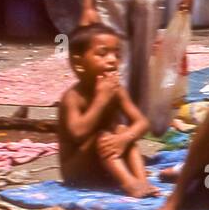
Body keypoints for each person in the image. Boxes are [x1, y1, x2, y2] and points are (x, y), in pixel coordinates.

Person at [58, 24, 158, 198]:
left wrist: (123, 139)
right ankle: (129, 183)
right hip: (77, 172)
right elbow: (78, 133)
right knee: (103, 136)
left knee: (123, 130)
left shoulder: (116, 90)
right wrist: (101, 99)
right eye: (102, 54)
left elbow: (142, 123)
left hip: (106, 166)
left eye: (117, 54)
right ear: (79, 63)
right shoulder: (72, 97)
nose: (113, 60)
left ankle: (142, 181)